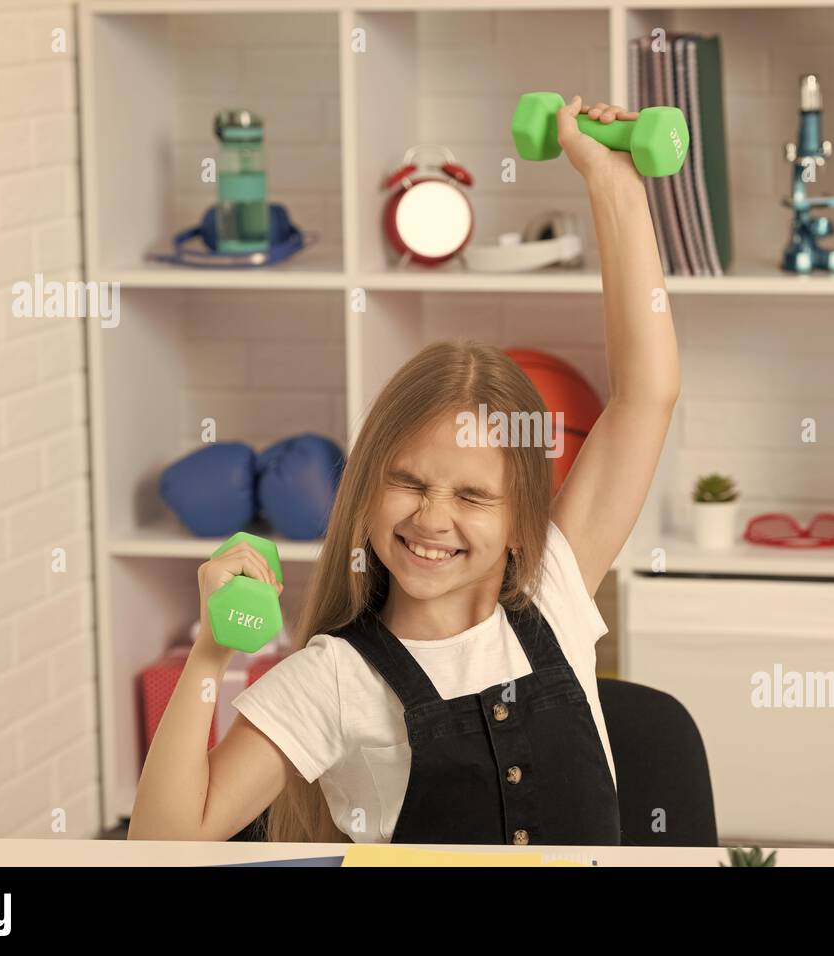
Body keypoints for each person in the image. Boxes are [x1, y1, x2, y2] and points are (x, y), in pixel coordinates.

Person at [129, 96, 680, 845]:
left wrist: (613, 181)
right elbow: (165, 847)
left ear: (521, 517)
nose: (431, 517)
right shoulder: (331, 677)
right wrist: (209, 654)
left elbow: (648, 391)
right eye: (410, 482)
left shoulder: (555, 589)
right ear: (364, 489)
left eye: (473, 495)